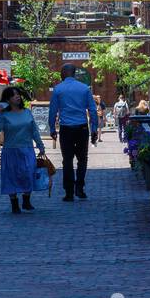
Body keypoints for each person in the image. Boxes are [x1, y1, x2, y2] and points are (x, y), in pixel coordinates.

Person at [48, 64, 99, 202]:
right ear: (74, 73)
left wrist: (52, 128)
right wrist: (94, 128)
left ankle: (69, 191)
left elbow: (53, 111)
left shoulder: (58, 89)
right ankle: (80, 187)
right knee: (82, 159)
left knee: (67, 160)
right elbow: (92, 110)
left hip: (66, 128)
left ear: (64, 73)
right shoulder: (84, 88)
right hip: (82, 127)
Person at [0, 87, 46, 213]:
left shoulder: (27, 112)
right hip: (10, 150)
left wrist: (40, 145)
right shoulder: (4, 114)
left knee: (28, 173)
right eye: (13, 95)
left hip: (27, 149)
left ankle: (26, 200)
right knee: (11, 176)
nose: (17, 97)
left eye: (18, 94)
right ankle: (14, 203)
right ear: (7, 100)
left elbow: (34, 131)